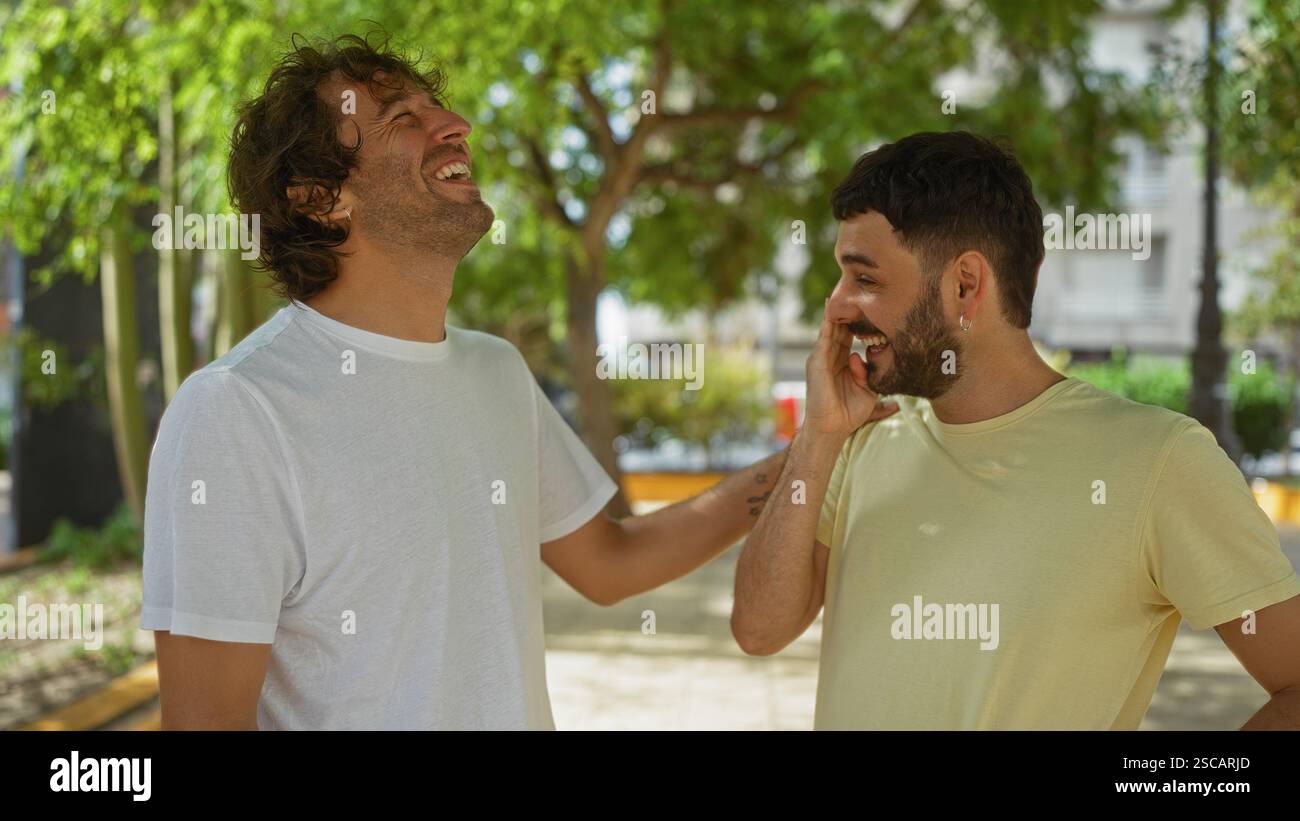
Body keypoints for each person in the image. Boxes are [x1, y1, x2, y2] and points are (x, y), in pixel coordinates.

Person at [139, 31, 866, 730]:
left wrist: (818, 444)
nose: (455, 126)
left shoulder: (495, 370)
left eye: (439, 107)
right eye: (404, 119)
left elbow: (610, 563)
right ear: (320, 198)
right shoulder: (237, 411)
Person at [731, 130, 1300, 730]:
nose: (837, 305)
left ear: (965, 286)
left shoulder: (1158, 460)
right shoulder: (863, 435)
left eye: (865, 279)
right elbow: (758, 628)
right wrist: (818, 438)